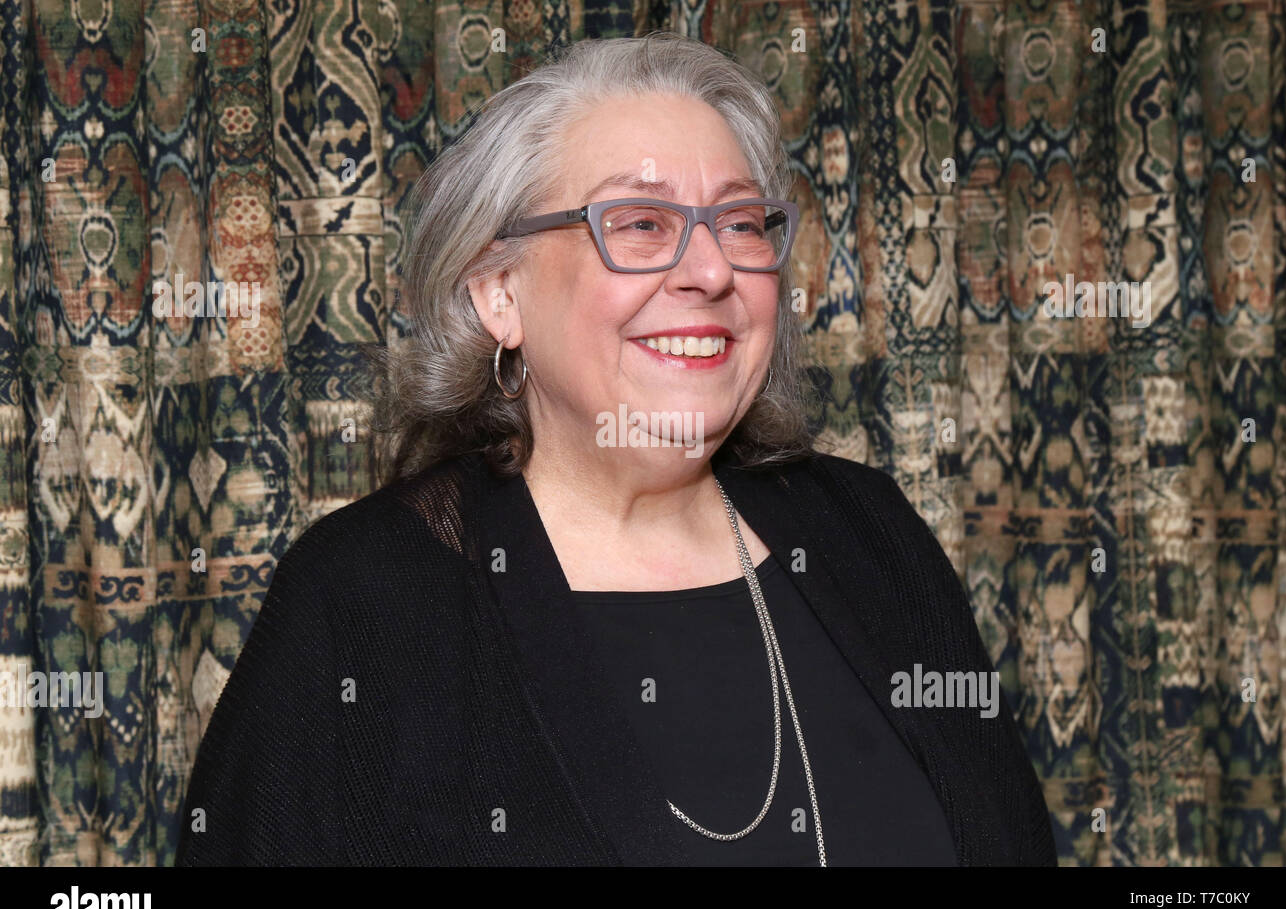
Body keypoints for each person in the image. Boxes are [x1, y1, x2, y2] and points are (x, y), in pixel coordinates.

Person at [175, 31, 1056, 866]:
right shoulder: (364, 600)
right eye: (639, 224)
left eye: (742, 224)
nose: (710, 271)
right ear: (498, 293)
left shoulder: (871, 533)